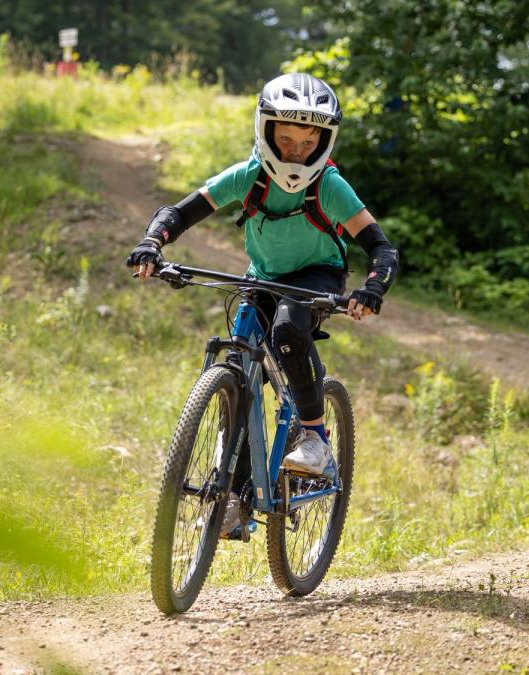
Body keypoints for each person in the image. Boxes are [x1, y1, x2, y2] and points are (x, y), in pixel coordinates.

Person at [127, 73, 398, 534]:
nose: (295, 150)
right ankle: (232, 496)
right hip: (262, 278)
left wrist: (371, 289)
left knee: (289, 331)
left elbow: (382, 248)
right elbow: (177, 212)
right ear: (266, 131)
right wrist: (153, 242)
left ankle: (314, 435)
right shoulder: (248, 176)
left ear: (323, 141)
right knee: (241, 370)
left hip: (316, 276)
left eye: (307, 141)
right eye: (285, 138)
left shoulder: (329, 187)